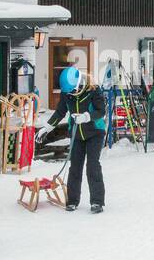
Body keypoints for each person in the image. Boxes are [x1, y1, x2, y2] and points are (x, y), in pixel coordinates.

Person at [37, 66, 106, 212]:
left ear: (80, 84)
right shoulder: (67, 93)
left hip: (95, 132)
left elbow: (101, 111)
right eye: (69, 92)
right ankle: (72, 200)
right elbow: (60, 112)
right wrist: (47, 127)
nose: (72, 94)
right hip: (76, 133)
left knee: (92, 166)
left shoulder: (93, 90)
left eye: (74, 90)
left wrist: (86, 117)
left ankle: (97, 201)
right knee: (75, 166)